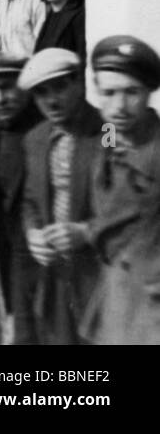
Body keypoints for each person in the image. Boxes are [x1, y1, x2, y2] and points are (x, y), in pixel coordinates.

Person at [19, 48, 102, 344]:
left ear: (79, 82)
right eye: (41, 93)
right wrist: (33, 234)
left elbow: (123, 197)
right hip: (55, 278)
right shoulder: (35, 139)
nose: (51, 100)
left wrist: (86, 231)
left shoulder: (107, 130)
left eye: (59, 88)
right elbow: (29, 200)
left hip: (101, 272)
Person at [80, 36, 160, 344]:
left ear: (149, 92)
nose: (119, 107)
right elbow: (107, 187)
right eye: (109, 93)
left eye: (131, 93)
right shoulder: (110, 132)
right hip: (115, 293)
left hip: (150, 305)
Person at [0, 50, 40, 344]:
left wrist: (111, 144)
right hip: (13, 253)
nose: (0, 99)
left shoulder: (47, 124)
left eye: (8, 87)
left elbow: (102, 128)